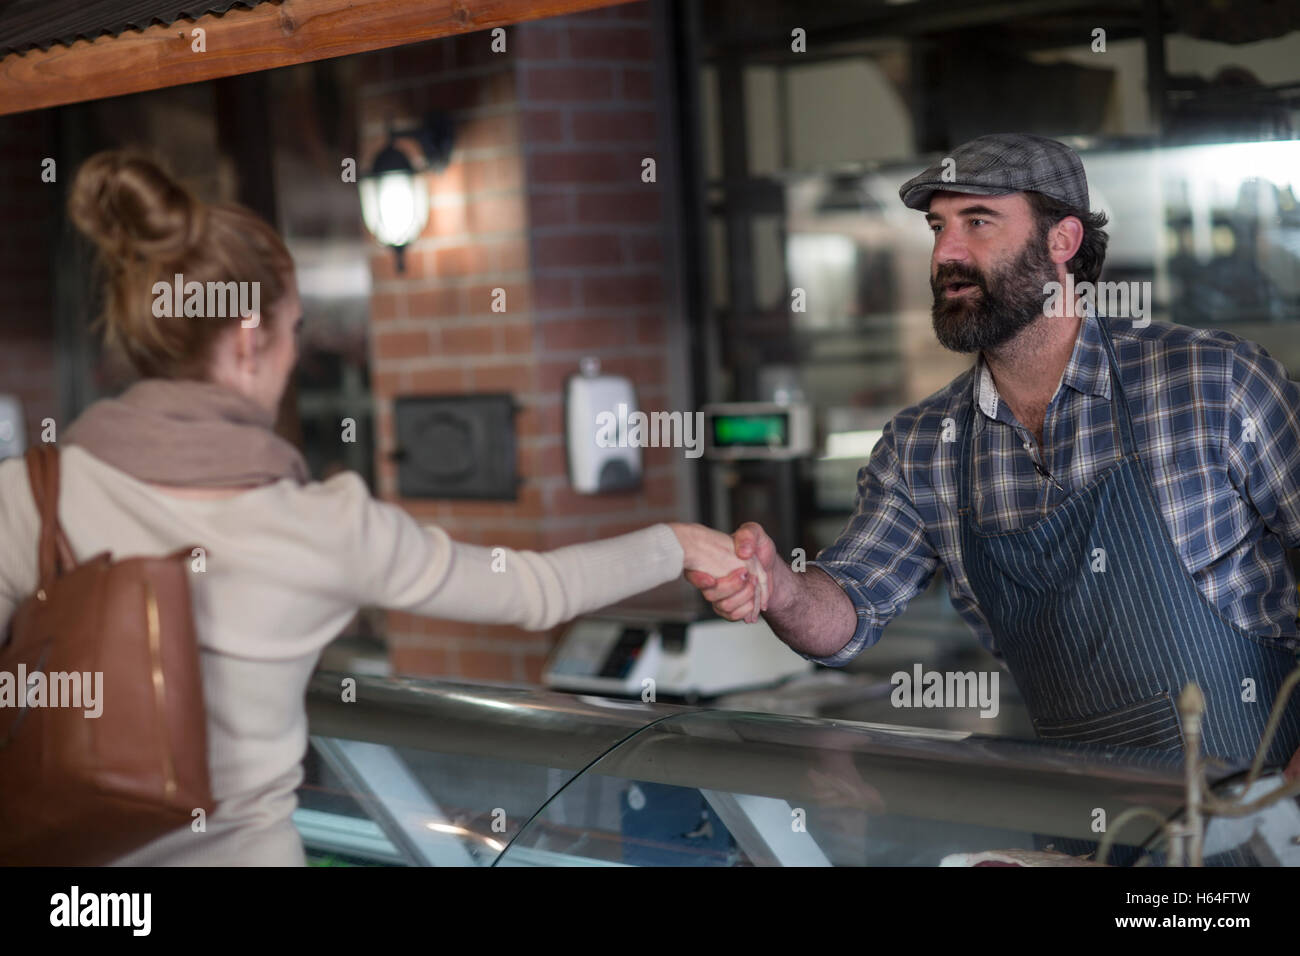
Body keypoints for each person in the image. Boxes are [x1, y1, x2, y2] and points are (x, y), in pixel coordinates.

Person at [0, 150, 765, 866]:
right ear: (245, 342)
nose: (296, 358)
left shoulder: (31, 493)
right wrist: (680, 542)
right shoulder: (328, 527)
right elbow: (537, 592)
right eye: (292, 332)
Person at [688, 133, 1300, 779]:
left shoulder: (1209, 380)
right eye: (937, 227)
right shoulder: (921, 447)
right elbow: (848, 612)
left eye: (978, 222)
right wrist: (780, 589)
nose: (946, 254)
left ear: (1062, 242)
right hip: (1088, 825)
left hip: (1268, 809)